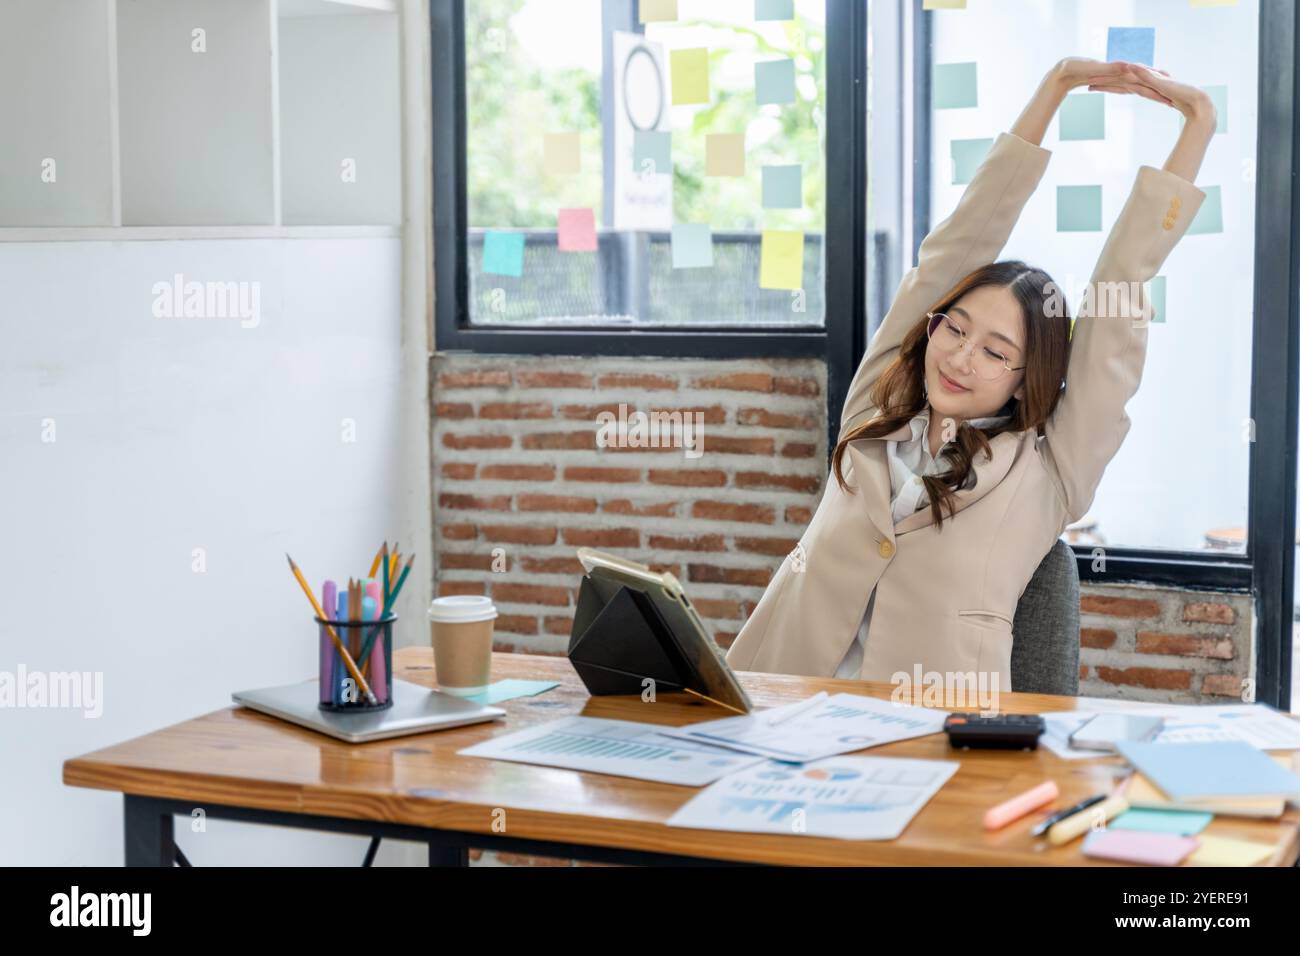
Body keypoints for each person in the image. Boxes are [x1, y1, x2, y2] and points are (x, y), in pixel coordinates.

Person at [724, 57, 1215, 689]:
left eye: (994, 351)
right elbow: (955, 249)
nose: (960, 356)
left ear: (1025, 376)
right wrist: (1056, 83)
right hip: (773, 707)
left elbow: (1119, 302)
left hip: (931, 741)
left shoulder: (1050, 469)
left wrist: (1198, 121)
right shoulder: (876, 405)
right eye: (954, 329)